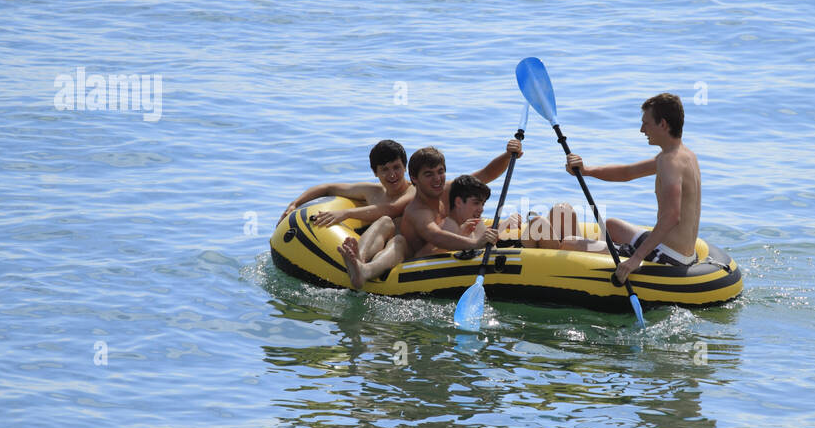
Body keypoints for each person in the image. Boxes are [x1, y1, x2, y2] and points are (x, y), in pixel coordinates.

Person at [342, 138, 523, 288]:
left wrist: (507, 155)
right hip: (412, 261)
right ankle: (362, 266)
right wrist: (475, 243)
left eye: (440, 172)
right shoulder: (417, 209)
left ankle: (359, 266)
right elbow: (435, 235)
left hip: (438, 252)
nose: (437, 179)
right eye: (429, 174)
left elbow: (486, 174)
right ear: (414, 179)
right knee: (395, 238)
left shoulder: (448, 189)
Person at [562, 92, 701, 281]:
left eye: (646, 123)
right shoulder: (682, 155)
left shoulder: (670, 162)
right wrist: (586, 170)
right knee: (611, 225)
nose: (642, 130)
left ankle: (611, 268)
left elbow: (671, 216)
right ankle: (608, 262)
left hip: (668, 258)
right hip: (677, 250)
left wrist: (635, 259)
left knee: (569, 244)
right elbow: (627, 173)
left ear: (663, 124)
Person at [278, 140, 416, 271]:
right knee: (384, 223)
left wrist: (346, 213)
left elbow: (391, 208)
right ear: (375, 172)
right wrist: (295, 204)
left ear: (405, 167)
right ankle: (358, 262)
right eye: (384, 169)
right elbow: (327, 188)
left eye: (396, 167)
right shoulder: (372, 191)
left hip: (402, 249)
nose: (392, 174)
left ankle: (360, 265)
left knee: (386, 221)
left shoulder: (413, 190)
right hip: (378, 250)